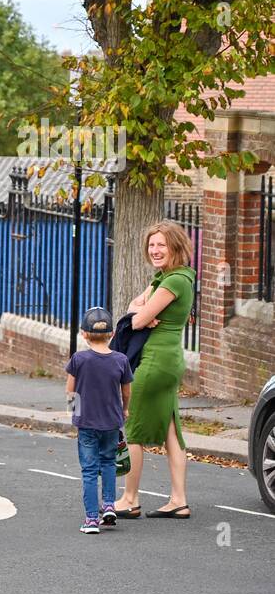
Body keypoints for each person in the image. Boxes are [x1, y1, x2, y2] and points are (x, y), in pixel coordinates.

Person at [115, 221, 197, 520]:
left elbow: (135, 320)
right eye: (151, 245)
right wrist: (140, 311)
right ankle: (179, 500)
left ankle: (129, 499)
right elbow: (132, 307)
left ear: (176, 246)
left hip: (155, 360)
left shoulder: (173, 281)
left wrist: (141, 313)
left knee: (134, 429)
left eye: (161, 244)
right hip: (170, 360)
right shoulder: (169, 278)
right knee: (171, 431)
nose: (155, 250)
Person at [66, 306, 134, 534]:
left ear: (83, 334)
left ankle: (92, 519)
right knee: (107, 464)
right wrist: (125, 410)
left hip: (87, 423)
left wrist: (74, 414)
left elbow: (70, 391)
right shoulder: (121, 360)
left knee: (88, 470)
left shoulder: (79, 359)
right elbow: (126, 391)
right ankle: (109, 506)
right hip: (112, 423)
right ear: (112, 334)